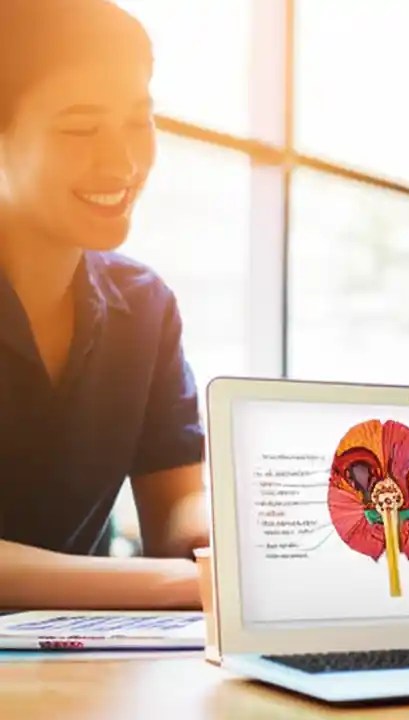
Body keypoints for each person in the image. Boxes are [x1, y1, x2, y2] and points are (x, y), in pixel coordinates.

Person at [0, 0, 207, 609]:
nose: (123, 162)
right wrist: (190, 585)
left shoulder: (144, 307)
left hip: (76, 670)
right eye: (80, 129)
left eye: (139, 123)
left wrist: (258, 539)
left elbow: (176, 519)